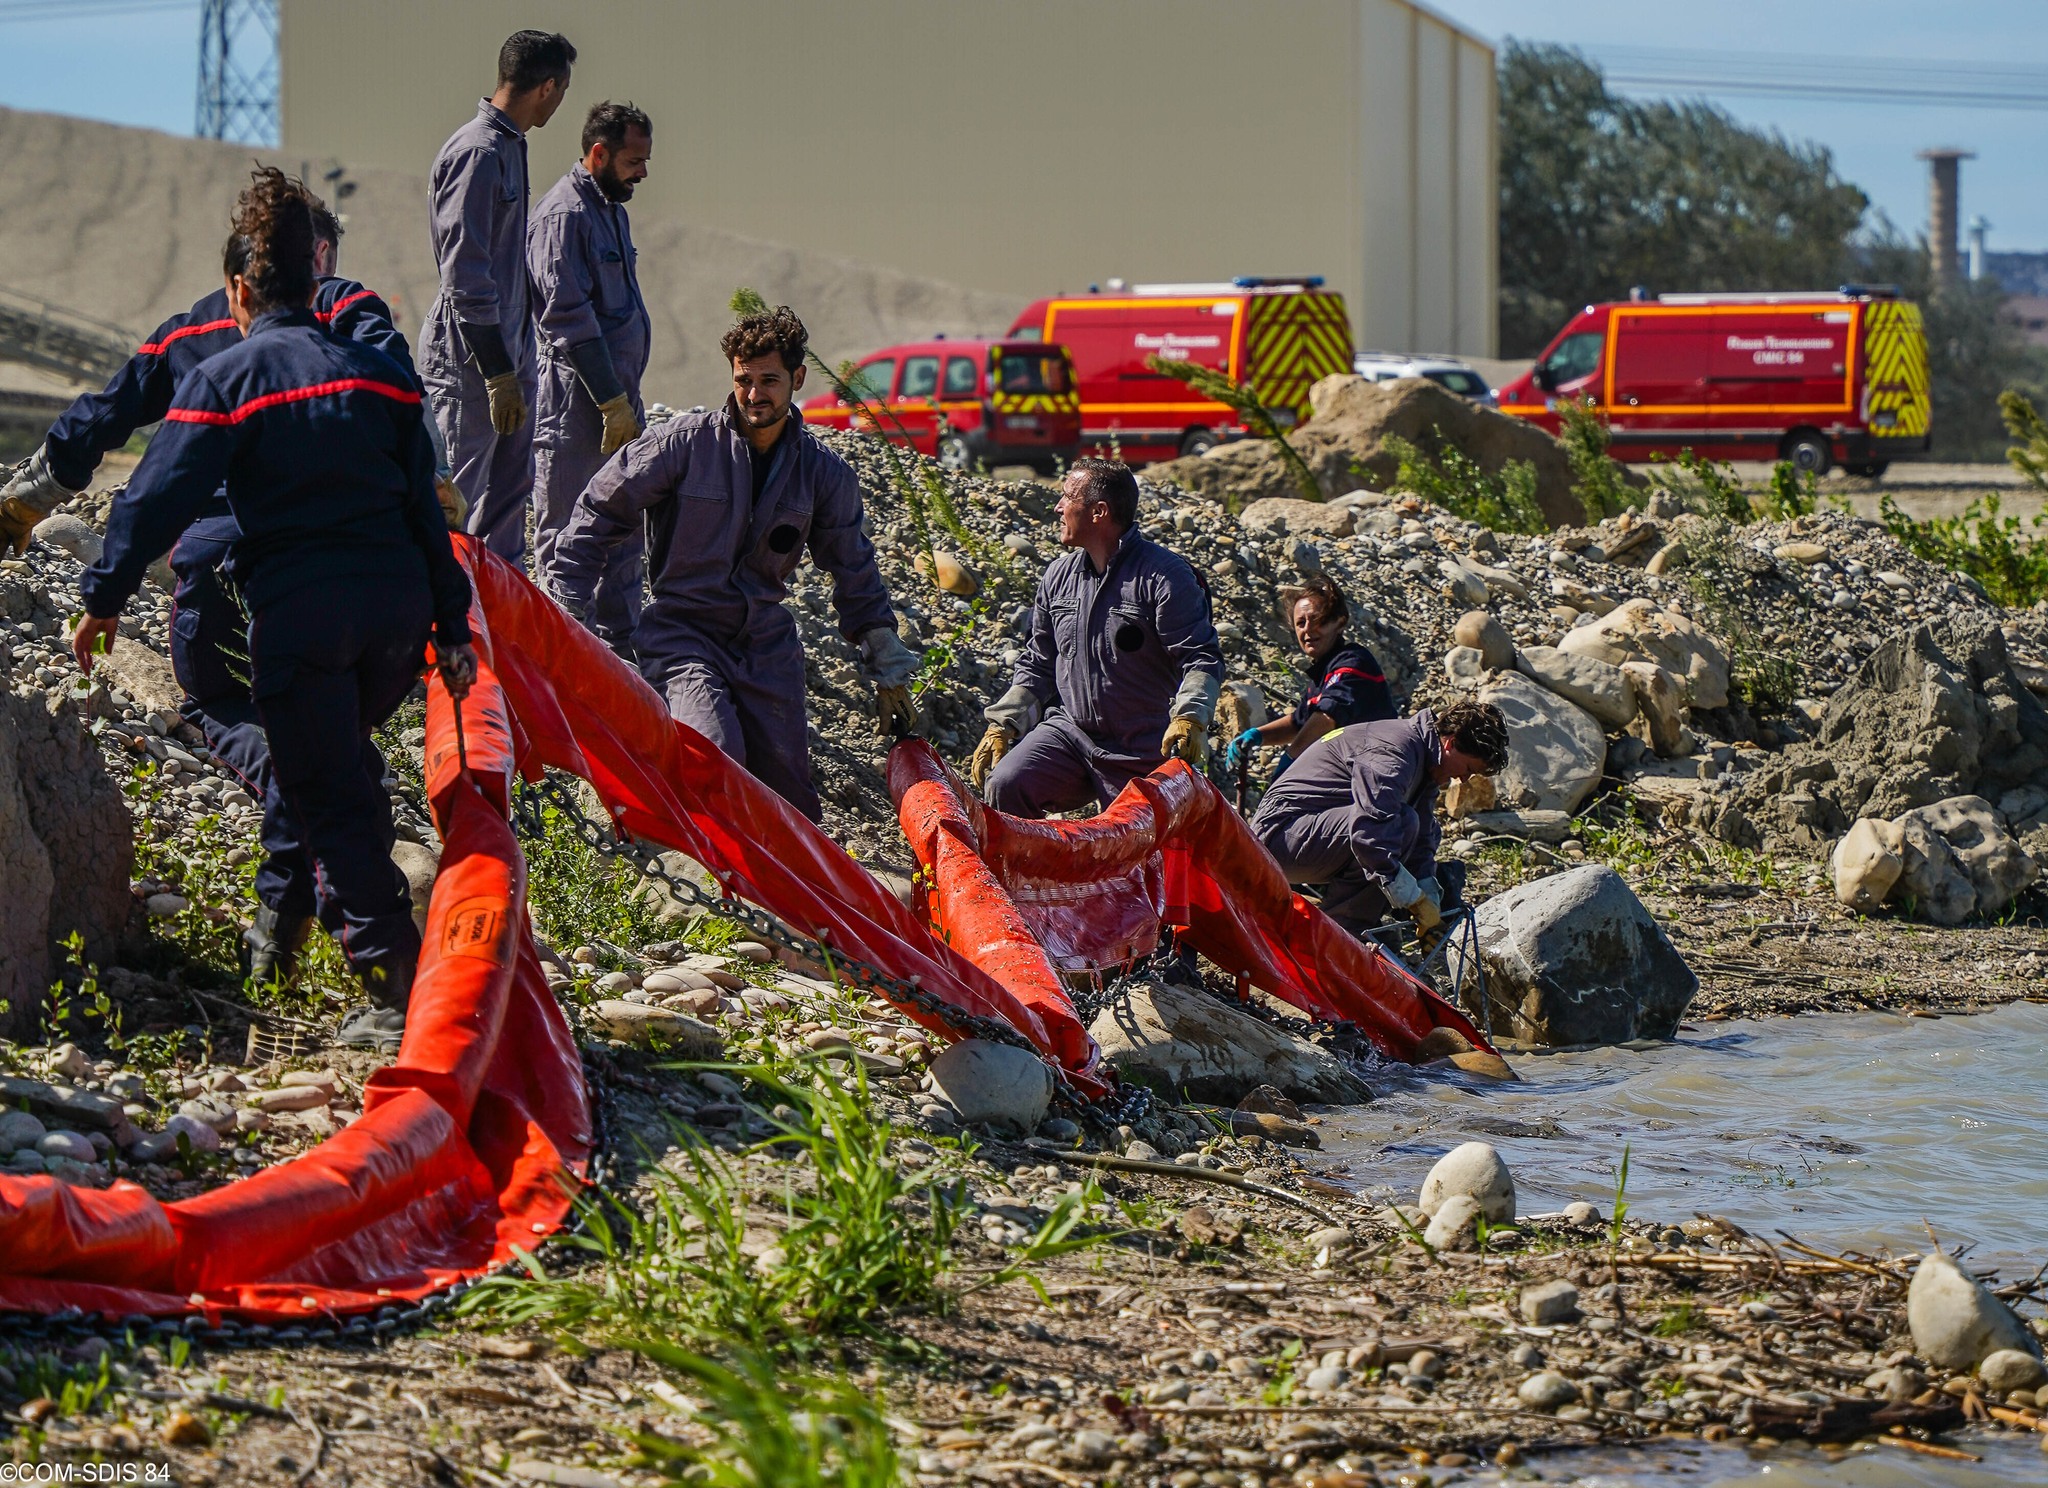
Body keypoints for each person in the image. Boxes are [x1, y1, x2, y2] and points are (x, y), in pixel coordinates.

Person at [73, 168, 477, 1052]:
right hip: (397, 619)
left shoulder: (232, 375)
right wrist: (451, 626)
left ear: (241, 290)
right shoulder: (381, 376)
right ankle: (274, 948)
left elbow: (153, 495)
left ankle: (389, 987)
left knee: (332, 795)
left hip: (305, 617)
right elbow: (423, 508)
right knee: (323, 770)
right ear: (316, 280)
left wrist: (104, 594)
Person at [548, 305, 918, 822]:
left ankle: (790, 895)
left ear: (798, 379)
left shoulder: (823, 474)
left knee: (791, 801)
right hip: (683, 636)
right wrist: (563, 606)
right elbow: (600, 512)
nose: (754, 394)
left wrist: (888, 665)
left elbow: (854, 570)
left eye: (769, 380)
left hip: (766, 647)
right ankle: (704, 880)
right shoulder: (683, 444)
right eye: (744, 380)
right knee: (713, 754)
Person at [967, 458, 1223, 817]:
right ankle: (1025, 874)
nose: (1057, 507)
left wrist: (1190, 718)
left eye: (1067, 497)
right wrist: (1003, 723)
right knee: (1008, 784)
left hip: (1141, 748)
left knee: (1136, 852)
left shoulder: (1165, 578)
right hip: (1069, 734)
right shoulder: (1058, 577)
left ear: (1099, 512)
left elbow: (1200, 657)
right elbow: (1038, 663)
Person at [421, 28, 575, 563]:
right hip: (470, 361)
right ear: (548, 86)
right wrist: (497, 374)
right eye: (562, 91)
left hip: (511, 352)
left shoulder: (510, 146)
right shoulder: (478, 153)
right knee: (451, 497)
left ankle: (497, 621)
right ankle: (438, 621)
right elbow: (465, 275)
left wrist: (514, 366)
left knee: (510, 495)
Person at [529, 100, 653, 658]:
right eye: (633, 161)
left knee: (623, 529)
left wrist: (624, 403)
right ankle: (558, 668)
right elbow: (567, 317)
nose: (643, 173)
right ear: (598, 153)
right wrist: (610, 403)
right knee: (567, 535)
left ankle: (620, 662)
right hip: (578, 407)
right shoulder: (563, 217)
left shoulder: (610, 210)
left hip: (619, 403)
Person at [1247, 700, 1509, 944]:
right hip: (1278, 837)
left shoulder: (1425, 760)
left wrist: (1430, 899)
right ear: (1450, 743)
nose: (1463, 780)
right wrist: (1412, 898)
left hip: (1305, 834)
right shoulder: (1396, 750)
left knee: (1410, 826)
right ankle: (1337, 938)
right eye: (1467, 769)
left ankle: (1342, 931)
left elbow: (1422, 839)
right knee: (1394, 828)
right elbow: (1370, 832)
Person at [1221, 573, 1395, 778]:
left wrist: (1290, 759)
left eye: (1317, 620)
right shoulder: (1322, 675)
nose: (1308, 630)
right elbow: (1299, 722)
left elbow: (1327, 717)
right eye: (1300, 623)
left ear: (1339, 623)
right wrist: (1257, 735)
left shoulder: (1354, 663)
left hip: (1376, 772)